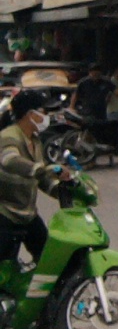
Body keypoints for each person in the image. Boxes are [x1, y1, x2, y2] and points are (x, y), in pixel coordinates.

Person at [0, 89, 71, 271]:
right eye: (44, 112)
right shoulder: (9, 136)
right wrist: (44, 169)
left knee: (48, 260)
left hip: (27, 214)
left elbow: (41, 179)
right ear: (31, 114)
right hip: (5, 214)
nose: (47, 116)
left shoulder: (36, 141)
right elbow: (9, 160)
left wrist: (61, 189)